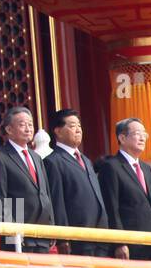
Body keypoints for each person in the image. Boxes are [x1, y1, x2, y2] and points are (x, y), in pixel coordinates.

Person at [0, 106, 54, 251]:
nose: (28, 129)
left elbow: (46, 193)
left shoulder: (36, 157)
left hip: (42, 233)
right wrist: (11, 233)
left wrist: (51, 226)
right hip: (18, 235)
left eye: (30, 125)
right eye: (22, 125)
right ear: (9, 129)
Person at [98, 117, 151, 261]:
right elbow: (111, 208)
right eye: (137, 133)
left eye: (144, 134)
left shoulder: (146, 168)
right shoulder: (111, 167)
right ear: (122, 138)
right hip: (131, 245)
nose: (142, 138)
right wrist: (119, 242)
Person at [45, 109, 107, 256]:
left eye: (79, 126)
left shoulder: (86, 160)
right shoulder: (53, 161)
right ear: (58, 131)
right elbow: (57, 201)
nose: (78, 130)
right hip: (78, 236)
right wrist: (63, 238)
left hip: (100, 235)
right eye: (72, 126)